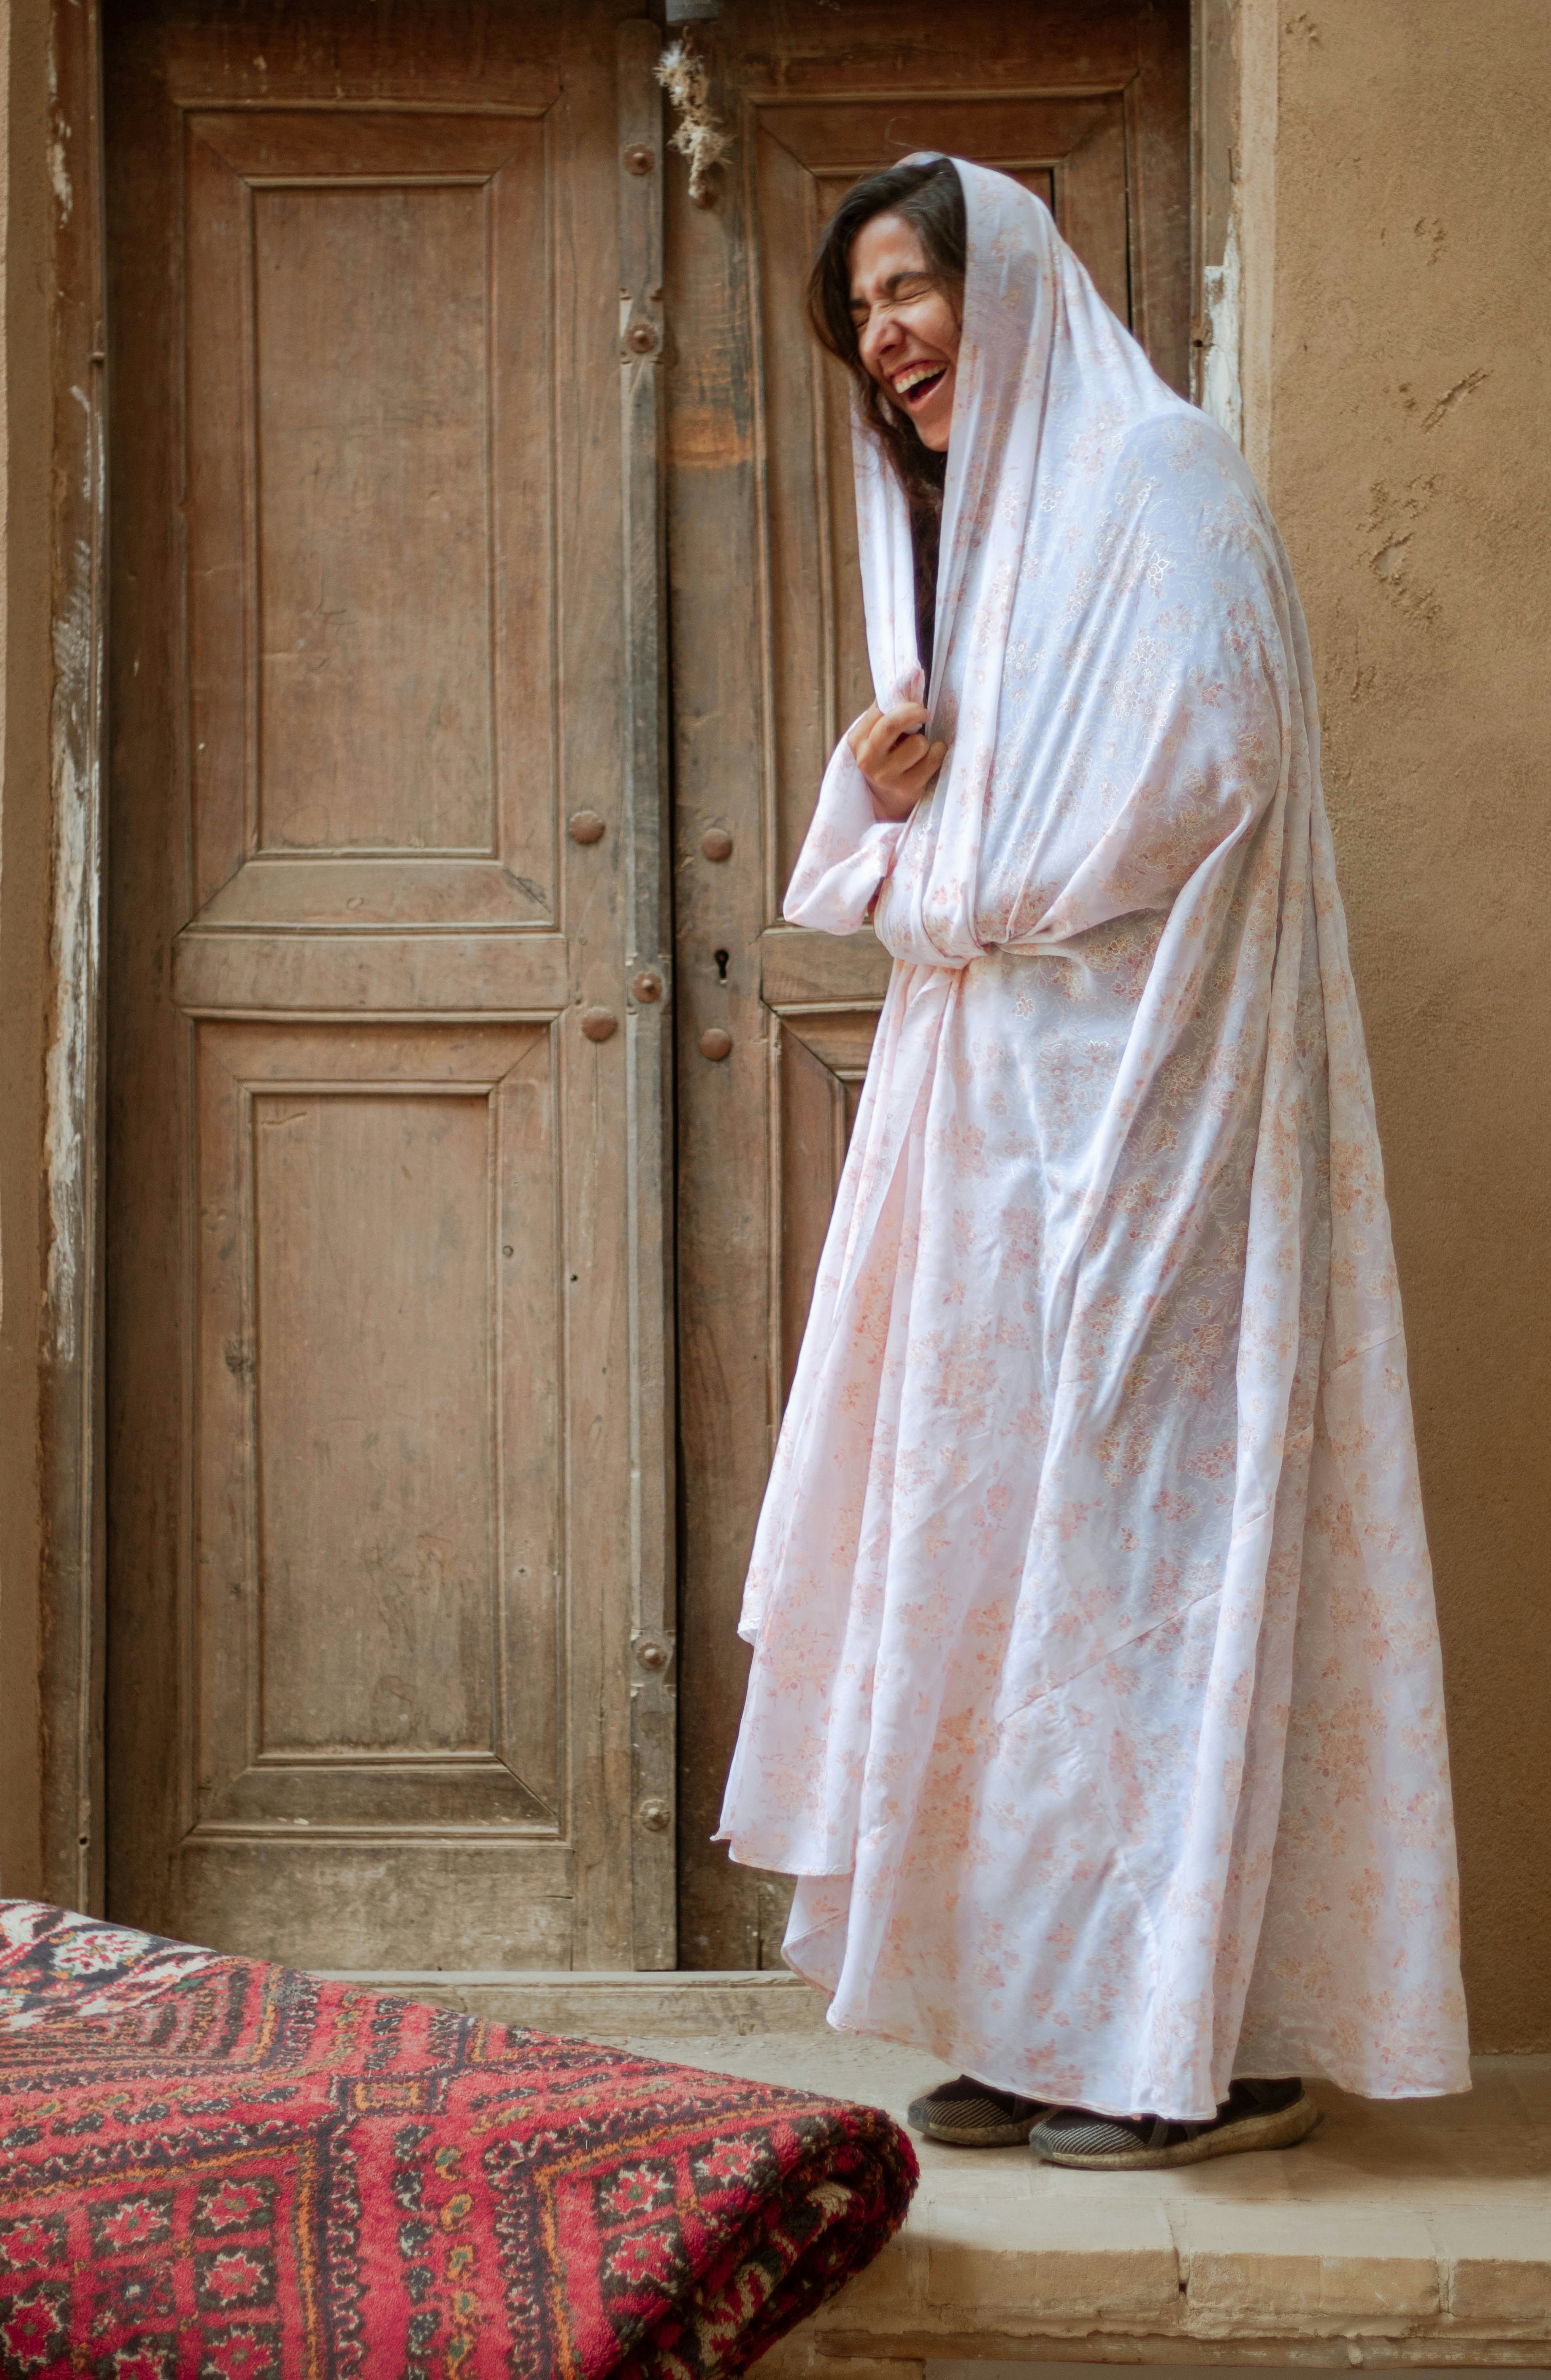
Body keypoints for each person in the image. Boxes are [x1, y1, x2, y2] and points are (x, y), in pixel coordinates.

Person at [716, 156, 1470, 2171]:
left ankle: (1187, 2044)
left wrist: (966, 883)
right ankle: (1036, 2014)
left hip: (1155, 1120)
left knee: (1146, 1561)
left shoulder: (1160, 478)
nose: (884, 339)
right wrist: (878, 803)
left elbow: (1213, 758)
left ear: (1011, 280)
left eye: (907, 290)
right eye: (860, 317)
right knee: (988, 1560)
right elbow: (917, 862)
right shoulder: (990, 549)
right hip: (993, 1138)